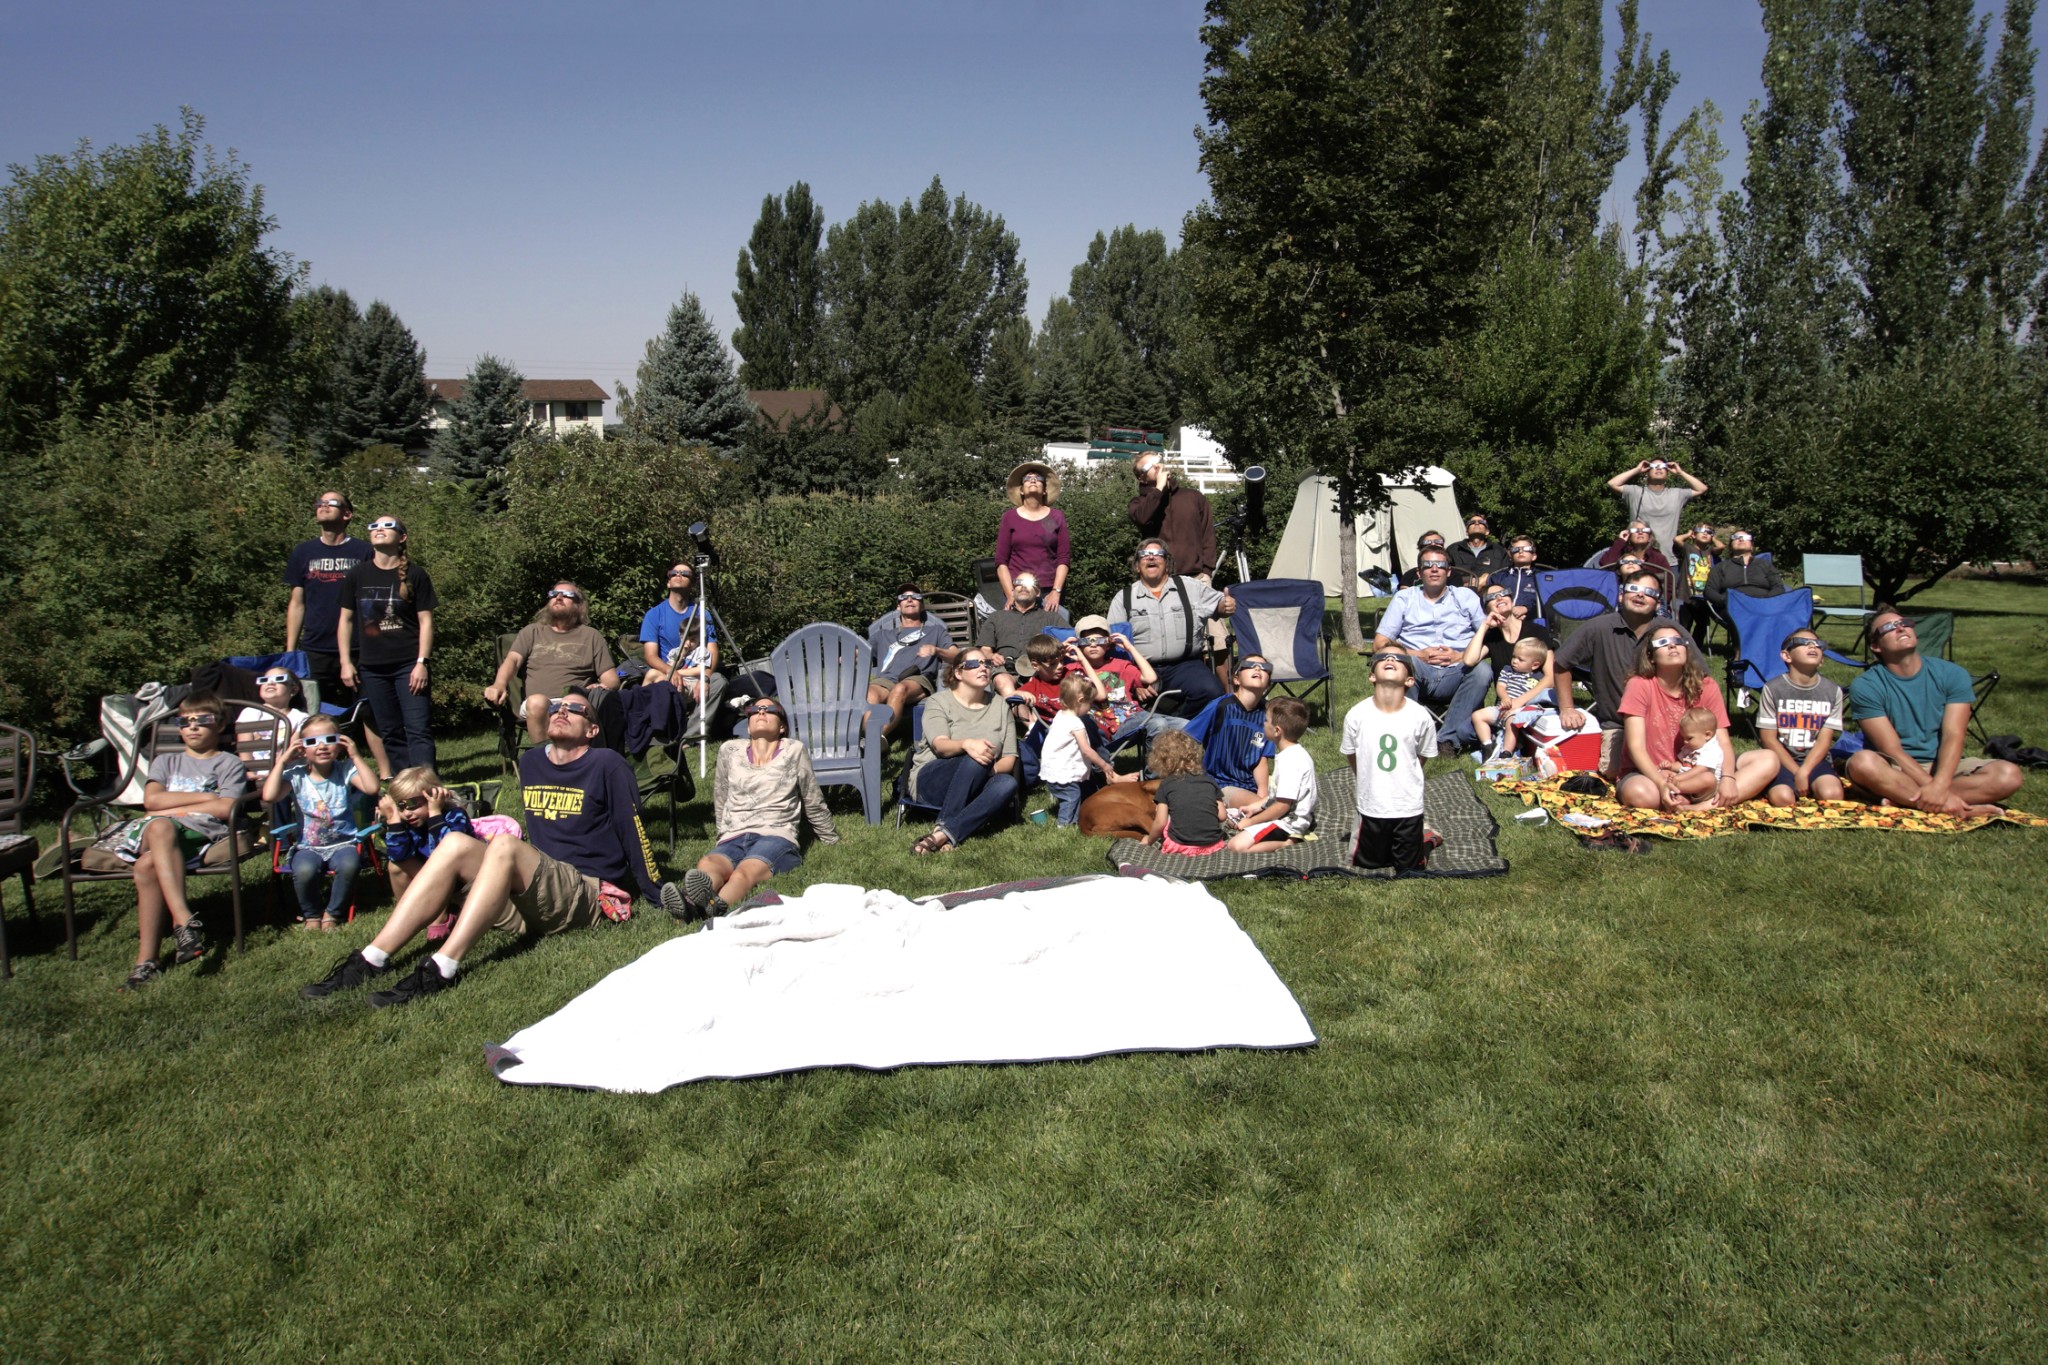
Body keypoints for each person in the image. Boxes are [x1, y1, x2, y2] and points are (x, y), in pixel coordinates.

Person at [299, 686, 664, 1008]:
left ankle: (442, 966)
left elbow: (633, 830)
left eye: (575, 709)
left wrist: (654, 891)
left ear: (593, 730)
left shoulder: (608, 764)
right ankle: (371, 958)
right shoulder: (532, 761)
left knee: (505, 843)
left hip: (584, 893)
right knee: (457, 842)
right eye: (555, 707)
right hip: (536, 894)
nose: (561, 711)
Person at [662, 697, 838, 922]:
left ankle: (709, 909)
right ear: (748, 724)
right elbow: (721, 796)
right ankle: (691, 901)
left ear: (782, 726)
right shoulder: (730, 750)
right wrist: (722, 834)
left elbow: (812, 797)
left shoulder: (793, 749)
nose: (761, 713)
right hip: (734, 834)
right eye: (755, 710)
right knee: (708, 864)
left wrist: (830, 837)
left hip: (776, 835)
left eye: (769, 710)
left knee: (744, 872)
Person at [117, 693, 248, 989]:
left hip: (197, 835)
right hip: (158, 831)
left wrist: (171, 807)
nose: (193, 726)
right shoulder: (166, 761)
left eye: (202, 720)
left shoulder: (228, 763)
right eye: (185, 721)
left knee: (147, 864)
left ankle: (145, 962)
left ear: (221, 724)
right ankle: (183, 920)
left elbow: (226, 808)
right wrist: (205, 797)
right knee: (160, 825)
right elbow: (151, 801)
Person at [1842, 610, 2023, 815]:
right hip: (1895, 769)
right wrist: (1933, 787)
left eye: (1904, 622)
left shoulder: (1952, 674)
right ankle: (1953, 807)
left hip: (1945, 766)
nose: (1900, 627)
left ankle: (1906, 801)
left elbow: (1953, 735)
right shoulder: (1867, 685)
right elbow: (1891, 749)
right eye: (1888, 628)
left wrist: (1939, 786)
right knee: (1862, 763)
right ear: (1876, 646)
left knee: (2009, 775)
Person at [1553, 570, 1704, 772]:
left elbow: (1701, 675)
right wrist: (1567, 708)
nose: (1640, 595)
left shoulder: (1671, 632)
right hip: (1618, 726)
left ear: (1658, 603)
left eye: (1649, 592)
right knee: (1616, 772)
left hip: (1670, 725)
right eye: (1633, 589)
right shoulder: (1598, 628)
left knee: (1684, 772)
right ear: (1621, 596)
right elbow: (1562, 662)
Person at [1613, 627, 1776, 811]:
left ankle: (1698, 807)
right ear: (1651, 656)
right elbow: (1636, 747)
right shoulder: (1639, 685)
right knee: (1642, 794)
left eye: (1678, 641)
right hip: (1652, 773)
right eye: (1663, 643)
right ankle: (1703, 801)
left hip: (1702, 769)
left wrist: (1728, 778)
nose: (1672, 646)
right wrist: (1661, 783)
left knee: (1768, 759)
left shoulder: (1706, 686)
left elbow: (1722, 740)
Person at [337, 513, 437, 771]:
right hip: (372, 667)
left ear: (401, 537)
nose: (379, 529)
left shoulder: (416, 575)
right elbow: (345, 621)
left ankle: (427, 786)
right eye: (375, 526)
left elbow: (426, 622)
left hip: (409, 665)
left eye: (387, 526)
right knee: (389, 730)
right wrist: (346, 662)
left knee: (418, 729)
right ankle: (405, 789)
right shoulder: (357, 575)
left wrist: (421, 663)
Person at [261, 715, 380, 931]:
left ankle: (332, 914)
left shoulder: (345, 770)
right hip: (309, 846)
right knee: (304, 869)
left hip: (344, 843)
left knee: (349, 865)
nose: (322, 746)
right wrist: (282, 761)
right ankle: (312, 915)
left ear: (340, 743)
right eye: (312, 742)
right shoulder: (296, 775)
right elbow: (269, 796)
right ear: (302, 748)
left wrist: (355, 756)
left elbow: (372, 788)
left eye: (329, 739)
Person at [1371, 545, 1491, 753]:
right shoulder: (1404, 599)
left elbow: (1488, 637)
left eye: (1440, 565)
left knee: (1482, 671)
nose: (1434, 569)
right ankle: (1407, 737)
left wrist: (1461, 655)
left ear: (1449, 571)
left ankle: (1447, 740)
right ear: (1419, 573)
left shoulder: (1466, 597)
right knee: (1402, 664)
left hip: (1459, 669)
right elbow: (1379, 645)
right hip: (1417, 670)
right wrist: (1418, 655)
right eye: (1428, 565)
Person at [906, 650, 1020, 855]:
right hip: (932, 780)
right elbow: (940, 745)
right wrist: (967, 744)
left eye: (986, 663)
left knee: (1007, 783)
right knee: (976, 756)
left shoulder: (1000, 705)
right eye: (974, 664)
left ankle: (943, 833)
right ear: (958, 673)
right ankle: (945, 828)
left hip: (979, 779)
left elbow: (1009, 759)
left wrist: (982, 768)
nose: (983, 667)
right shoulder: (938, 702)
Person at [1105, 539, 1236, 715]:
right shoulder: (1123, 598)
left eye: (1158, 554)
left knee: (1211, 692)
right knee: (1118, 699)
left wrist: (1225, 606)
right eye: (1144, 555)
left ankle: (1175, 729)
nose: (1151, 558)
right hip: (1141, 669)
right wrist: (1133, 679)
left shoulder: (1189, 587)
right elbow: (1114, 646)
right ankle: (1160, 727)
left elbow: (1219, 604)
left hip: (1185, 666)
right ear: (1137, 566)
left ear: (1167, 564)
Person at [484, 582, 622, 745]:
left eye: (567, 595)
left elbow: (611, 679)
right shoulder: (532, 631)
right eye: (554, 594)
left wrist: (600, 686)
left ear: (579, 605)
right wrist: (499, 684)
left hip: (575, 704)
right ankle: (545, 761)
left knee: (572, 706)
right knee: (537, 702)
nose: (559, 597)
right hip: (536, 705)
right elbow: (512, 661)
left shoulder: (591, 636)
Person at [1341, 650, 1438, 872]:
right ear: (1372, 676)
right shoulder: (1356, 715)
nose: (1390, 659)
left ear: (1410, 680)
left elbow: (1422, 755)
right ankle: (1422, 836)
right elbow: (1351, 754)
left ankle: (1428, 837)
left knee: (1410, 869)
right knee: (1367, 864)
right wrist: (1367, 775)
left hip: (1408, 807)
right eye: (1383, 658)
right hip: (1371, 806)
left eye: (1399, 659)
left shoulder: (1420, 716)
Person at [1128, 451, 1227, 665]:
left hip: (1197, 578)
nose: (1157, 466)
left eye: (1158, 461)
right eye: (1150, 466)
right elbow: (1144, 518)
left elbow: (1207, 536)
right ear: (1142, 478)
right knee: (1177, 641)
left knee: (1218, 640)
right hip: (1162, 585)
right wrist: (1158, 489)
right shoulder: (1138, 504)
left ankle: (1225, 694)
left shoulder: (1193, 497)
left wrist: (1207, 571)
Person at [283, 490, 373, 711]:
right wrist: (290, 650)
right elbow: (297, 603)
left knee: (367, 711)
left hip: (358, 646)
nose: (323, 505)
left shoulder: (364, 552)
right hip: (316, 648)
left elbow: (374, 602)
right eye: (320, 502)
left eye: (332, 503)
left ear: (347, 514)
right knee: (315, 712)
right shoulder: (303, 552)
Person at [377, 765, 476, 940]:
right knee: (395, 866)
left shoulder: (453, 814)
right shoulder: (404, 821)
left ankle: (440, 916)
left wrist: (435, 813)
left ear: (433, 796)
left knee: (441, 861)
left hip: (459, 878)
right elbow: (398, 855)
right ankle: (408, 914)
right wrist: (393, 821)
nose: (407, 812)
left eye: (413, 803)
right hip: (428, 877)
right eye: (400, 806)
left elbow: (450, 850)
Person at [1757, 629, 1849, 807]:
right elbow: (1768, 739)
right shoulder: (1773, 689)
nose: (1812, 646)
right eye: (1803, 642)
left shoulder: (1832, 691)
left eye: (1817, 644)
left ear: (1822, 659)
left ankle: (1812, 782)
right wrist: (1795, 771)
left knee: (1833, 795)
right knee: (1782, 798)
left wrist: (1804, 771)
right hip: (1781, 759)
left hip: (1815, 759)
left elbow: (1824, 740)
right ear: (1786, 655)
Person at [1180, 653, 1276, 810]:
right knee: (1271, 809)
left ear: (1268, 683)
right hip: (1220, 784)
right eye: (1250, 665)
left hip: (1249, 785)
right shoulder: (1220, 706)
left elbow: (1261, 759)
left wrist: (1262, 793)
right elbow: (1185, 739)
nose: (1258, 668)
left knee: (1280, 804)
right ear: (1236, 679)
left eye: (1265, 668)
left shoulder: (1268, 714)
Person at [1040, 674, 1137, 826]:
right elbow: (1087, 750)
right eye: (1089, 704)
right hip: (1062, 770)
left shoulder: (1060, 715)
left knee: (1072, 795)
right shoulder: (1075, 724)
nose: (1090, 708)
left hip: (1052, 768)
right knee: (1071, 797)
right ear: (1080, 701)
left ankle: (1074, 820)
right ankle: (1063, 825)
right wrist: (1104, 765)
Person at [866, 584, 959, 740]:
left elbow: (956, 655)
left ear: (922, 606)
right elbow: (860, 653)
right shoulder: (882, 635)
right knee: (869, 693)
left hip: (917, 678)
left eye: (915, 597)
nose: (909, 599)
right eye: (903, 597)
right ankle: (870, 736)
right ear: (898, 607)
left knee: (900, 689)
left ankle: (874, 739)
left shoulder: (935, 631)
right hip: (886, 679)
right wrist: (844, 656)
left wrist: (936, 650)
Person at [1225, 697, 1318, 851]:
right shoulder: (1292, 753)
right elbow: (1281, 796)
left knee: (1236, 846)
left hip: (1288, 823)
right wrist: (1255, 807)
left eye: (1266, 720)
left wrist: (1251, 822)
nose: (1263, 723)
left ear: (1277, 730)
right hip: (1285, 817)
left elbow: (1282, 806)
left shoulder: (1291, 761)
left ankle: (1289, 844)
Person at [639, 560, 719, 706]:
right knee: (654, 678)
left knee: (719, 682)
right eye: (674, 573)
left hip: (697, 675)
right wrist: (671, 671)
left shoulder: (702, 614)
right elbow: (650, 656)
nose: (679, 575)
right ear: (668, 582)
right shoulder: (654, 615)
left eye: (685, 573)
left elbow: (712, 652)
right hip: (667, 674)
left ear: (693, 583)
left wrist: (704, 679)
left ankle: (694, 728)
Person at [995, 462, 1071, 613]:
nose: (1033, 480)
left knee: (1049, 634)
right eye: (1027, 478)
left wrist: (1056, 591)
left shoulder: (1055, 517)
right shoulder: (1010, 518)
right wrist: (1010, 594)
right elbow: (1001, 561)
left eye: (1038, 478)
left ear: (1044, 490)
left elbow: (1063, 558)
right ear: (1021, 490)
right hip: (1018, 590)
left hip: (1048, 591)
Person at [1141, 730, 1228, 856]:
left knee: (1169, 820)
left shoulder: (1166, 785)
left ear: (1161, 760)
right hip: (1213, 845)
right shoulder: (1209, 781)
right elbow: (1222, 816)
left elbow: (1160, 823)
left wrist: (1149, 840)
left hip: (1180, 846)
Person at [982, 571, 1071, 693]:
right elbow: (984, 650)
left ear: (1038, 592)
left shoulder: (1052, 618)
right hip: (1004, 670)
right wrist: (992, 656)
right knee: (1003, 682)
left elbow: (1070, 642)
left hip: (1041, 672)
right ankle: (1018, 702)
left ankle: (1019, 706)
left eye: (1029, 583)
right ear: (1012, 591)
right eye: (1018, 583)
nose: (1023, 586)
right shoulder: (996, 617)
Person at [1471, 635, 1555, 758]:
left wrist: (1517, 707)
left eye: (1520, 659)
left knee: (1512, 721)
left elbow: (1537, 698)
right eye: (1514, 657)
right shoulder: (1508, 670)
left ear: (1535, 665)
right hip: (1502, 708)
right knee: (1477, 715)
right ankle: (1487, 745)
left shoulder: (1538, 678)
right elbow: (1500, 686)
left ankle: (1506, 752)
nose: (1514, 661)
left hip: (1519, 713)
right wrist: (1505, 698)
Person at [1607, 456, 1707, 555]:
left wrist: (1681, 473)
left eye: (1663, 466)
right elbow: (1612, 484)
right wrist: (1637, 470)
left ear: (1668, 473)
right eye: (1654, 466)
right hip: (1639, 558)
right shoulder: (1635, 492)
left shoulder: (1677, 494)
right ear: (1647, 472)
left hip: (1669, 558)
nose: (1659, 468)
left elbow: (1702, 489)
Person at [1702, 529, 1785, 640]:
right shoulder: (1721, 567)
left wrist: (1766, 601)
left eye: (1746, 538)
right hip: (1734, 606)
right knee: (1742, 616)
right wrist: (1724, 600)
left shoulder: (1765, 565)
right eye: (1736, 538)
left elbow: (1778, 587)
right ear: (1731, 546)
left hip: (1763, 605)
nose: (1740, 539)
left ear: (1752, 546)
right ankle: (1743, 649)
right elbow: (1709, 590)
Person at [1664, 707, 1727, 807]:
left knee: (1708, 778)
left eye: (1689, 738)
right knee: (1664, 773)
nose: (1685, 741)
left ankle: (1676, 788)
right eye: (1683, 738)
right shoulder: (1689, 747)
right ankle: (1681, 798)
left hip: (1705, 790)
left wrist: (1678, 779)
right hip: (1688, 785)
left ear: (1707, 735)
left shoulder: (1712, 749)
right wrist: (1670, 766)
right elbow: (1682, 764)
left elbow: (1700, 770)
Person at [1672, 522, 1722, 640]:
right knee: (1684, 625)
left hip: (1704, 596)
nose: (1705, 533)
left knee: (1702, 624)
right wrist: (1688, 534)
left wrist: (1713, 538)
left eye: (1709, 532)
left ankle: (1696, 647)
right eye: (1701, 530)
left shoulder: (1710, 551)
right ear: (1694, 535)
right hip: (1687, 594)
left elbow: (1721, 547)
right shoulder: (1688, 549)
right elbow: (1676, 539)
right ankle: (1684, 644)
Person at [239, 666, 309, 733]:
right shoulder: (250, 712)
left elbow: (293, 745)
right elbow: (245, 742)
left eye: (279, 679)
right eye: (264, 680)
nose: (270, 683)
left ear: (293, 690)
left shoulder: (300, 718)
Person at [1492, 536, 1548, 617]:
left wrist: (1526, 608)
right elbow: (1489, 601)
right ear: (1510, 555)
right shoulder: (1498, 577)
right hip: (1503, 620)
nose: (1520, 552)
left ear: (1534, 556)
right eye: (1516, 549)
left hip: (1533, 621)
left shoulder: (1542, 578)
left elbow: (1549, 603)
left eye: (1526, 548)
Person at [1447, 512, 1506, 588]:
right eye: (1472, 522)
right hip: (1460, 594)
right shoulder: (1453, 549)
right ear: (1467, 532)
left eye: (1481, 522)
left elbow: (1505, 576)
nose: (1476, 523)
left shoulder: (1499, 551)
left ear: (1487, 532)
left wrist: (1487, 579)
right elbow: (1445, 573)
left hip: (1489, 596)